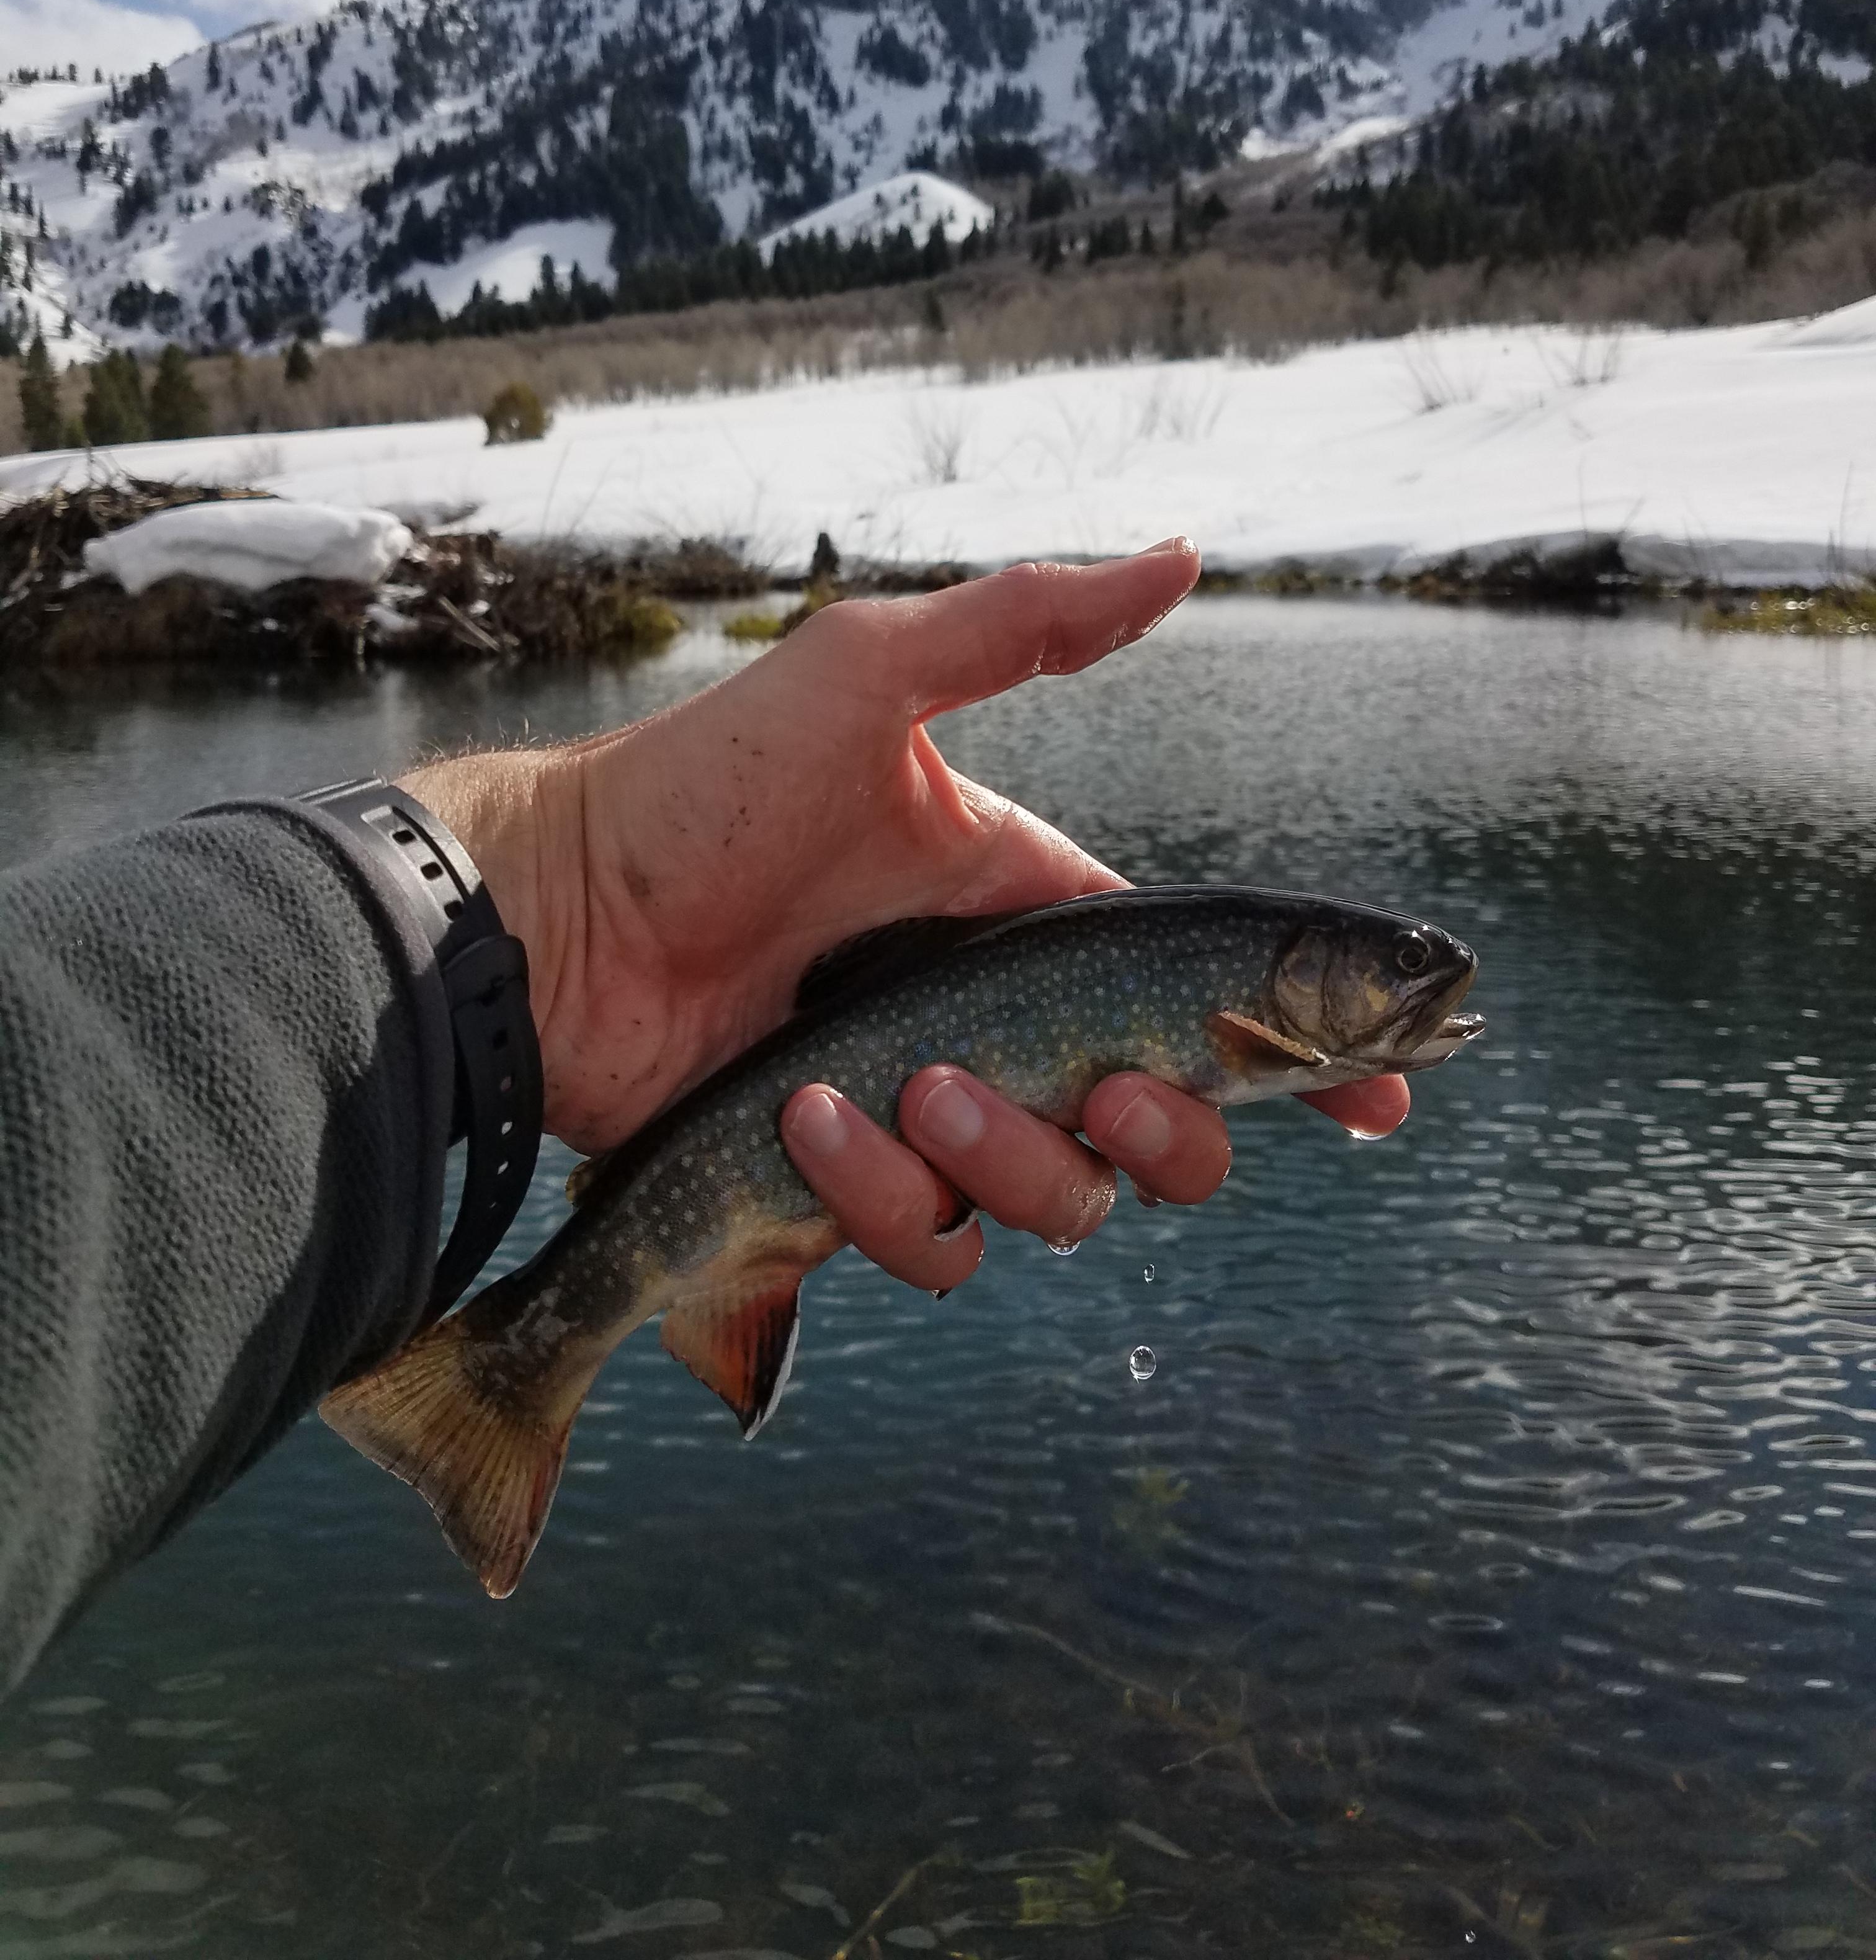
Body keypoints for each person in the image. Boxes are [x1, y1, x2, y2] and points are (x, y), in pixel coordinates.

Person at [0, 541, 1408, 1694]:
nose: (1415, 990)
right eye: (1392, 972)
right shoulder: (1236, 1005)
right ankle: (503, 1376)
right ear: (1295, 984)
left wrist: (561, 892)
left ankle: (519, 1364)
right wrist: (560, 891)